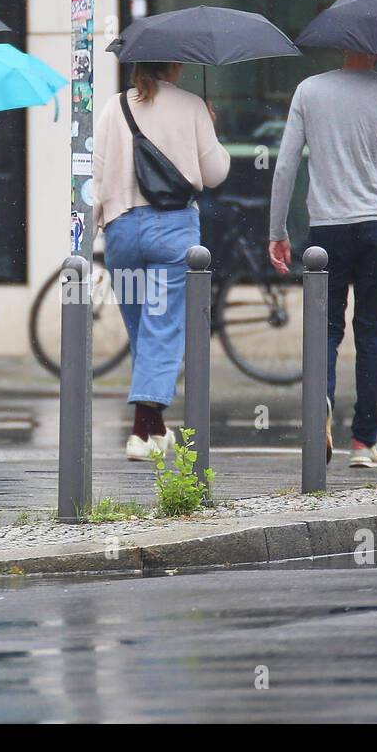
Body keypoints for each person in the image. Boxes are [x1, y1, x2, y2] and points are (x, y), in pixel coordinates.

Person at [268, 50, 377, 467]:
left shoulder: (309, 90)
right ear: (376, 49)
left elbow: (284, 167)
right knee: (372, 336)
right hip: (376, 226)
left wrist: (277, 231)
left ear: (340, 46)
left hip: (326, 230)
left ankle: (320, 403)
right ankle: (363, 441)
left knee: (325, 330)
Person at [92, 60, 230, 461]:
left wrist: (99, 226)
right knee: (163, 326)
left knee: (142, 327)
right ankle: (139, 431)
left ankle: (155, 429)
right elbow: (216, 172)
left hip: (123, 232)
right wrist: (209, 127)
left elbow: (96, 178)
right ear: (174, 64)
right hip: (172, 231)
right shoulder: (191, 106)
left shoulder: (113, 106)